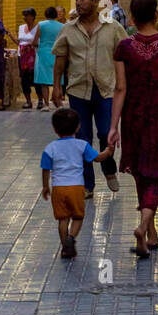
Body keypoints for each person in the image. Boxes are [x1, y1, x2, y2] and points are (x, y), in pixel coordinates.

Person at [109, 0, 158, 257]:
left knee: (141, 170)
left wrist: (113, 126)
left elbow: (120, 88)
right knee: (156, 171)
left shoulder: (124, 47)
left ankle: (151, 233)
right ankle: (143, 227)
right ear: (156, 15)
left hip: (133, 114)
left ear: (131, 17)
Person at [51, 0, 126, 198]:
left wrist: (125, 85)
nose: (79, 3)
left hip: (105, 89)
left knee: (105, 132)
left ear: (95, 2)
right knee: (81, 138)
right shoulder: (68, 29)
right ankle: (87, 184)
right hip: (78, 90)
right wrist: (57, 86)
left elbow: (124, 56)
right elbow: (60, 60)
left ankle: (109, 169)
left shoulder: (112, 28)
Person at [41, 107, 114, 258]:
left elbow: (45, 169)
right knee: (78, 217)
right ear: (78, 127)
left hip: (58, 189)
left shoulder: (50, 148)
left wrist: (45, 187)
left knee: (63, 219)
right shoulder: (82, 145)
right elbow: (98, 158)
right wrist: (108, 151)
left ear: (55, 129)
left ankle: (64, 247)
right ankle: (71, 238)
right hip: (76, 187)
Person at [33, 6, 64, 110]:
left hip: (43, 54)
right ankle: (58, 102)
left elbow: (35, 40)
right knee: (58, 79)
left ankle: (46, 104)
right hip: (57, 53)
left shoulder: (41, 25)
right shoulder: (61, 26)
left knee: (44, 81)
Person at [17, 7, 39, 108]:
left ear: (33, 17)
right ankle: (28, 100)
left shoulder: (38, 27)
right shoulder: (21, 27)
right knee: (24, 79)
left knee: (36, 78)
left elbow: (39, 41)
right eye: (24, 16)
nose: (25, 18)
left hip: (34, 55)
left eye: (27, 16)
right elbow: (19, 41)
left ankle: (40, 100)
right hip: (22, 56)